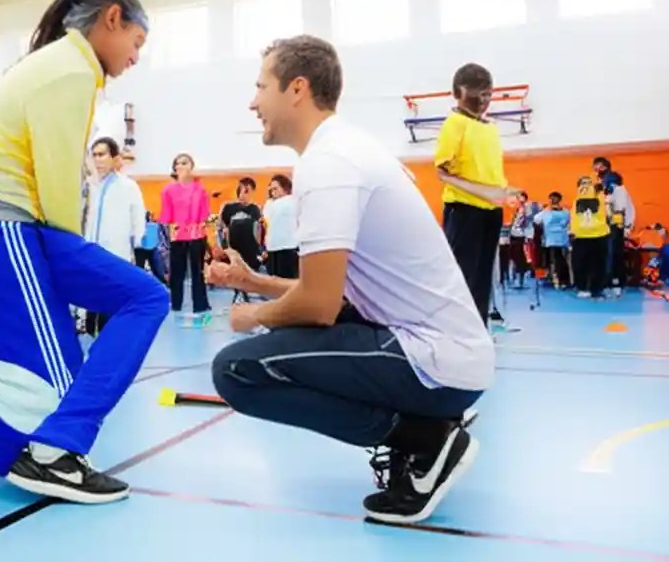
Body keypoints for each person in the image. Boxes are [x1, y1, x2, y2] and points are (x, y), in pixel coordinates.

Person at [207, 35, 492, 525]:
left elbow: (318, 305)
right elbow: (333, 296)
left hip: (433, 361)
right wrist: (255, 281)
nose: (253, 102)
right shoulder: (347, 149)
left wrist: (252, 314)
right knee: (285, 338)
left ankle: (426, 440)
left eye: (260, 87)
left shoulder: (328, 163)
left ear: (296, 89)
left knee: (236, 371)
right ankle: (425, 431)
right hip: (446, 358)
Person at [0, 0, 168, 505]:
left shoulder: (43, 64)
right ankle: (58, 451)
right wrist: (62, 276)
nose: (136, 57)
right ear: (112, 19)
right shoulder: (73, 70)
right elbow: (55, 185)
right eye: (137, 42)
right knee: (142, 300)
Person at [433, 64, 517, 327]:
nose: (483, 101)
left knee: (483, 278)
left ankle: (477, 330)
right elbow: (443, 172)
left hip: (491, 211)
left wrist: (502, 191)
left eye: (488, 95)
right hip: (464, 210)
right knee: (463, 277)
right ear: (458, 92)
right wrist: (486, 191)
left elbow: (488, 171)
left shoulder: (490, 127)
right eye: (477, 94)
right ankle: (455, 331)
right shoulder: (454, 124)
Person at [81, 137, 146, 336]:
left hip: (116, 252)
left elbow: (138, 216)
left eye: (102, 154)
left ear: (114, 157)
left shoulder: (127, 186)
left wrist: (137, 243)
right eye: (95, 155)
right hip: (90, 251)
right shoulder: (88, 186)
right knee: (92, 301)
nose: (98, 159)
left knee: (113, 302)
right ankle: (91, 332)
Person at [159, 153, 211, 321]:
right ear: (174, 168)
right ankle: (176, 303)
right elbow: (166, 215)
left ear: (191, 166)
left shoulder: (200, 189)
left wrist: (201, 225)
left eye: (185, 163)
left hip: (197, 234)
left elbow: (204, 213)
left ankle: (200, 304)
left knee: (198, 271)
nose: (181, 166)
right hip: (177, 235)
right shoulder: (168, 190)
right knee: (177, 272)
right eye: (178, 163)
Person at [220, 177, 263, 302]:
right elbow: (223, 226)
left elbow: (259, 228)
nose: (243, 193)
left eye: (247, 190)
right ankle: (239, 293)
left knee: (249, 270)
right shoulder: (229, 207)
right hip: (234, 245)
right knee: (235, 269)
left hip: (250, 245)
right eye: (241, 189)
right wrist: (224, 245)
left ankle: (246, 294)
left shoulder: (255, 209)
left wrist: (259, 246)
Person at [570, 175, 610, 299]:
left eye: (588, 183)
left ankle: (596, 289)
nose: (586, 186)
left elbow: (607, 213)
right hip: (581, 236)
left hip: (599, 235)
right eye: (583, 183)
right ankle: (583, 288)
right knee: (580, 264)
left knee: (598, 264)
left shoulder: (601, 197)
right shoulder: (576, 201)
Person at [262, 174, 299, 280]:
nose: (273, 192)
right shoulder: (270, 204)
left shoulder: (293, 201)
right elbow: (267, 223)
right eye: (272, 189)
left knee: (287, 281)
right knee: (274, 280)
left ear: (285, 187)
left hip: (288, 247)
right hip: (273, 247)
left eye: (276, 188)